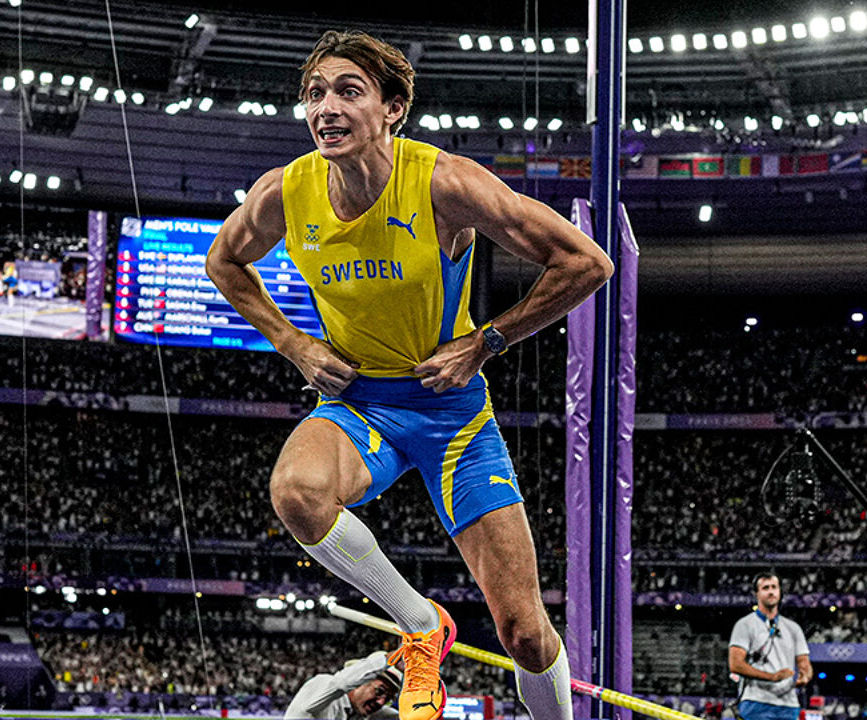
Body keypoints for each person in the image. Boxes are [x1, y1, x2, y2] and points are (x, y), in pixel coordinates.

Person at [206, 29, 612, 720]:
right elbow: (224, 263)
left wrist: (487, 341)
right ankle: (421, 624)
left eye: (347, 92)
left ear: (393, 108)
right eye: (315, 94)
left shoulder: (445, 183)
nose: (325, 108)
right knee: (297, 494)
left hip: (450, 413)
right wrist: (295, 344)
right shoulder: (285, 190)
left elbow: (587, 263)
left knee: (523, 632)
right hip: (359, 404)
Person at [729, 571, 812, 720]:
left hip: (789, 705)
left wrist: (805, 676)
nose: (771, 592)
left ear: (780, 592)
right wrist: (772, 677)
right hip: (756, 702)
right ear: (757, 594)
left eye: (774, 587)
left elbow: (804, 663)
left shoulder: (793, 628)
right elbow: (736, 665)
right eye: (765, 588)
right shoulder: (744, 625)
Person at [285, 651, 404, 720]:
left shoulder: (357, 710)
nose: (381, 702)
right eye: (379, 691)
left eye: (388, 699)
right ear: (361, 681)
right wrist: (388, 660)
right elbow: (340, 684)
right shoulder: (323, 684)